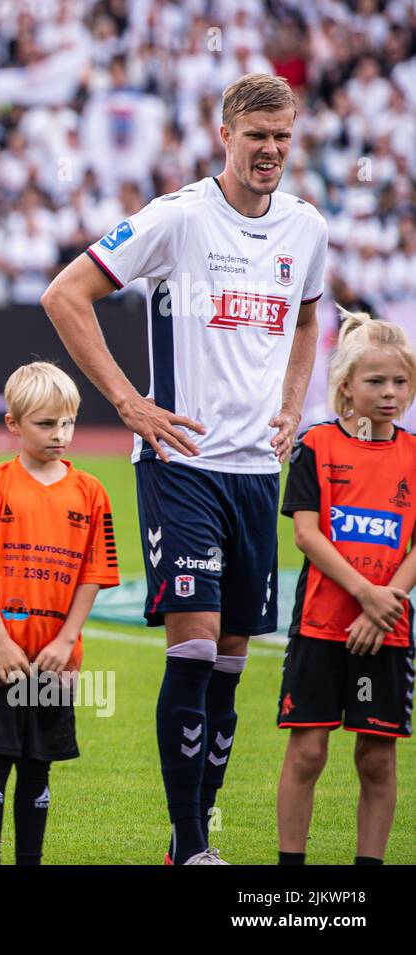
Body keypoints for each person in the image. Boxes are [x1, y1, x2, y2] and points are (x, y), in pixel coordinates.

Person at [41, 73, 328, 865]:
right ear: (224, 134)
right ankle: (196, 845)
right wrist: (131, 403)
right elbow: (66, 294)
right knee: (195, 649)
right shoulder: (177, 218)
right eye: (256, 135)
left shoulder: (307, 228)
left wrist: (293, 405)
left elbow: (308, 317)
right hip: (181, 463)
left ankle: (185, 840)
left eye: (282, 136)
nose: (269, 150)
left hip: (254, 472)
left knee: (233, 660)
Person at [0, 362, 119, 864]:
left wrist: (67, 640)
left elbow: (95, 572)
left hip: (53, 661)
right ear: (13, 424)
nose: (60, 434)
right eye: (46, 424)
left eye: (67, 422)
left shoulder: (91, 493)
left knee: (39, 767)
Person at [276, 308, 416, 865]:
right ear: (346, 387)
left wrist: (388, 602)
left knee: (377, 759)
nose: (389, 393)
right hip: (321, 622)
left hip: (388, 627)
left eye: (400, 382)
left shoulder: (413, 455)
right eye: (375, 382)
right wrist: (365, 592)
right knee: (308, 752)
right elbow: (307, 536)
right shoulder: (316, 446)